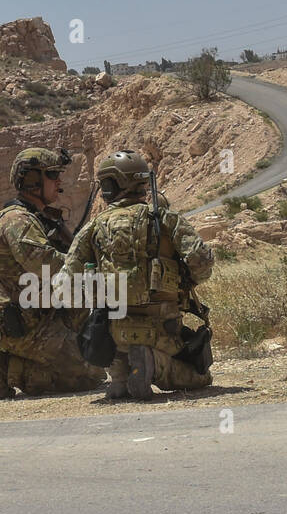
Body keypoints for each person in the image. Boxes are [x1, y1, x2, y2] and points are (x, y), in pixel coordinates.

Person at [58, 150, 215, 399]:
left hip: (114, 332)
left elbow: (65, 283)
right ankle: (152, 362)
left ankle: (119, 376)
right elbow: (201, 262)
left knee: (118, 341)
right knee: (202, 377)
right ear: (139, 182)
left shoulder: (93, 227)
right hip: (162, 329)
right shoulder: (164, 219)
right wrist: (185, 280)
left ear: (113, 184)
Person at [0, 148, 104, 399]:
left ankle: (19, 359)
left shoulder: (36, 218)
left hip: (36, 313)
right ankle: (10, 368)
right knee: (92, 373)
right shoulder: (19, 221)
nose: (58, 181)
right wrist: (87, 265)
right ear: (32, 181)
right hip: (24, 324)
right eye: (52, 175)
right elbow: (45, 263)